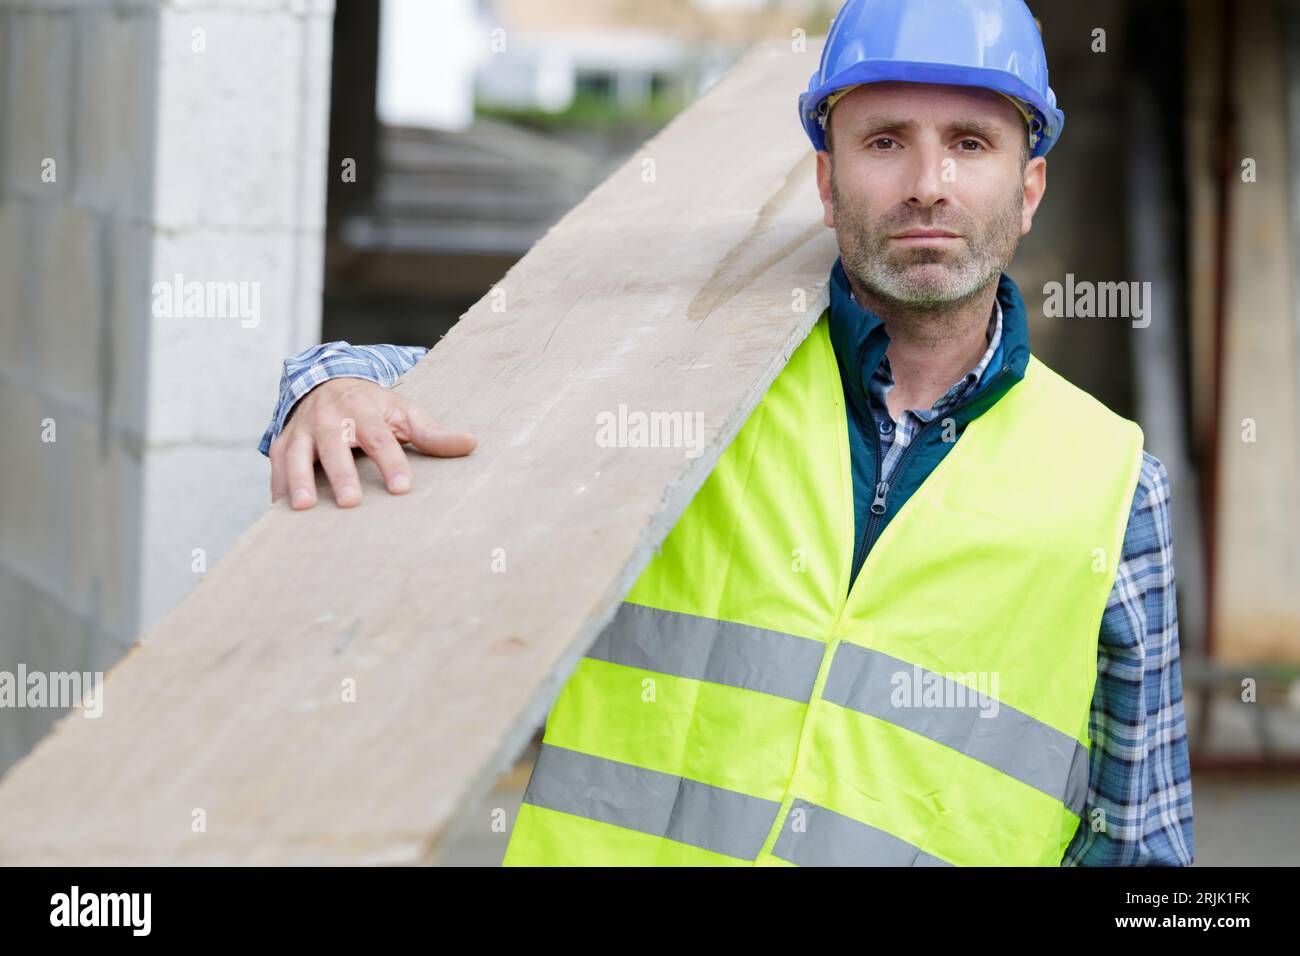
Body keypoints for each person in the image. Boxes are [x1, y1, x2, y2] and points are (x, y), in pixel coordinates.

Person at [258, 0, 1193, 865]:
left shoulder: (1114, 485)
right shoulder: (681, 377)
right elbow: (437, 388)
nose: (927, 185)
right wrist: (328, 387)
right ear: (826, 180)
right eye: (884, 141)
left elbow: (1144, 847)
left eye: (970, 142)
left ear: (1028, 188)